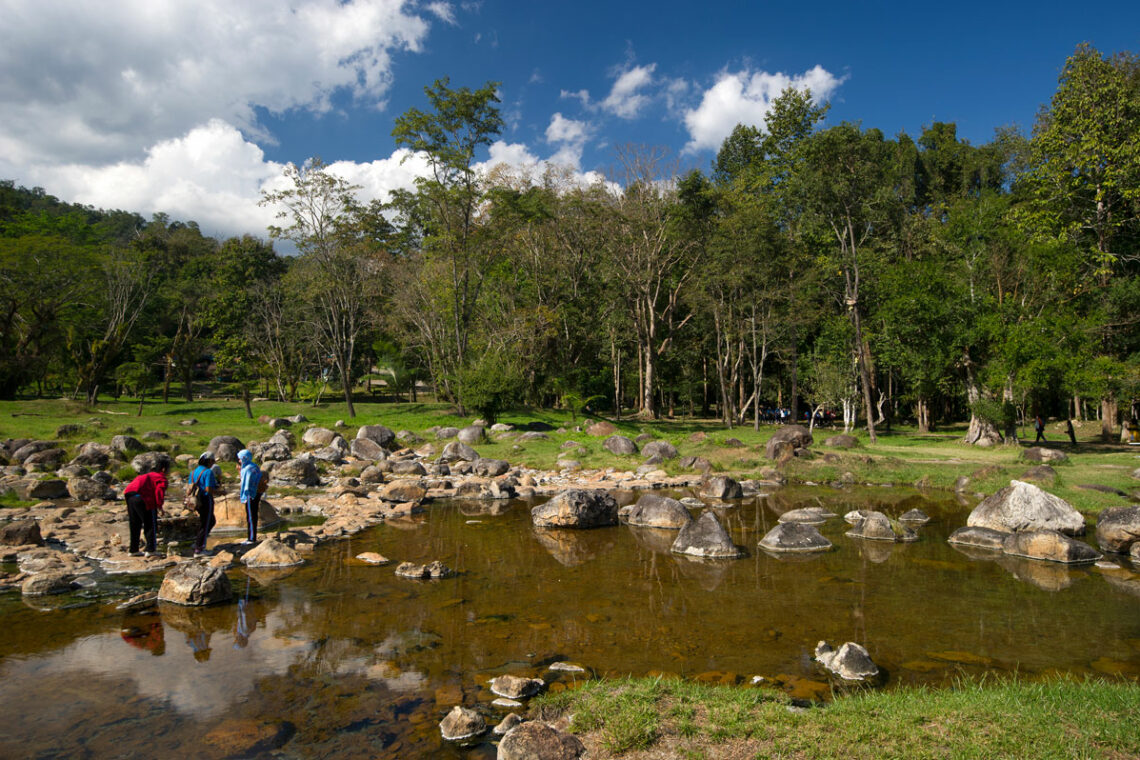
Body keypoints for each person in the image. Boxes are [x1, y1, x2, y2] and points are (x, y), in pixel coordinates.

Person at [123, 459, 169, 556]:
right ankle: (150, 550)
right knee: (150, 523)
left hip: (130, 495)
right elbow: (159, 492)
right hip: (143, 498)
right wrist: (159, 506)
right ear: (164, 469)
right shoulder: (161, 478)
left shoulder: (148, 475)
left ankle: (133, 550)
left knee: (135, 524)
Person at [189, 452, 221, 556]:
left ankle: (198, 543)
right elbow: (208, 489)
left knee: (210, 521)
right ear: (209, 461)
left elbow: (189, 488)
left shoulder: (193, 472)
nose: (213, 463)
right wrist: (220, 492)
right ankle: (199, 549)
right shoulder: (208, 472)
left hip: (196, 501)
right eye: (212, 461)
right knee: (206, 523)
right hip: (205, 499)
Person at [237, 449, 262, 545]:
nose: (239, 461)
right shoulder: (254, 466)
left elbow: (245, 484)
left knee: (251, 517)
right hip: (256, 493)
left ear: (244, 458)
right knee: (253, 515)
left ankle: (251, 539)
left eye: (240, 459)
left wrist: (244, 495)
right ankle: (251, 537)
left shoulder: (247, 469)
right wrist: (240, 471)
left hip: (250, 495)